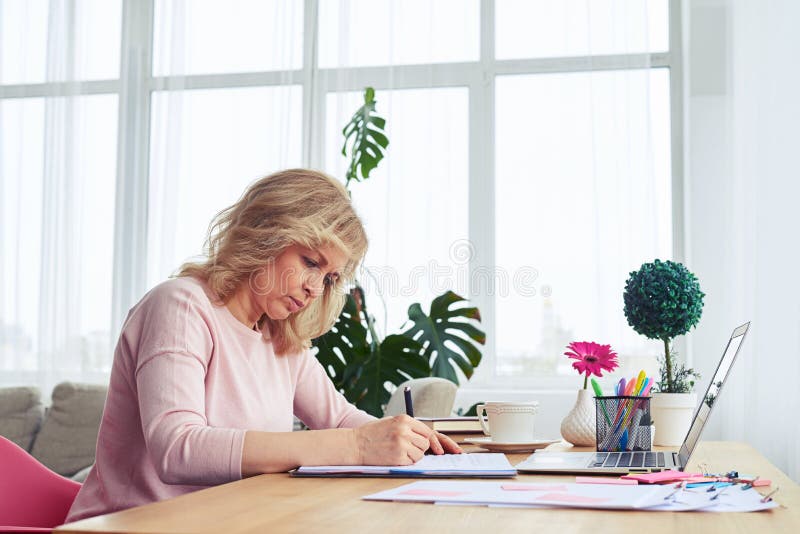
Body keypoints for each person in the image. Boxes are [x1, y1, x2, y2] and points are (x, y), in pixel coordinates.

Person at [66, 169, 461, 522]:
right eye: (310, 261)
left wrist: (411, 439)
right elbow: (176, 448)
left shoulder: (279, 335)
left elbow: (339, 419)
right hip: (137, 525)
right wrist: (356, 446)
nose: (314, 288)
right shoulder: (182, 306)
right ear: (265, 232)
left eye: (329, 278)